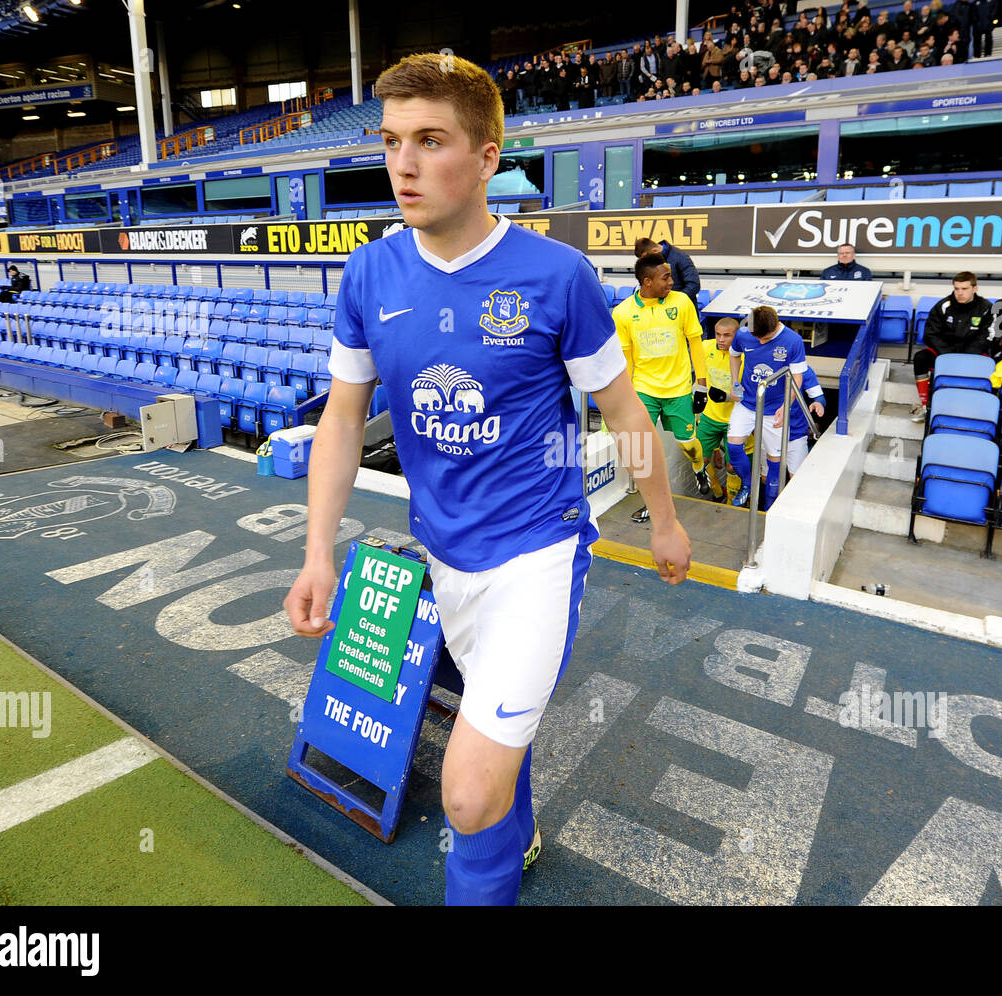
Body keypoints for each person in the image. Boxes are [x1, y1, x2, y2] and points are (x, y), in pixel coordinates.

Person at [283, 52, 690, 908]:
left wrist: (662, 518)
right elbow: (344, 421)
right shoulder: (369, 273)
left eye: (431, 141)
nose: (404, 164)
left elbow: (623, 412)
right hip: (445, 555)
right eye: (392, 141)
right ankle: (519, 826)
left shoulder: (556, 277)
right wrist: (317, 550)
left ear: (489, 156)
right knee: (493, 751)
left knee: (466, 794)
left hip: (537, 553)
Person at [613, 252, 713, 522]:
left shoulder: (681, 302)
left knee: (688, 444)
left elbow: (695, 343)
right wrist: (624, 395)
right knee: (644, 449)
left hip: (679, 388)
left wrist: (701, 385)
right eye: (666, 277)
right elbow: (627, 359)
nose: (672, 281)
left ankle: (698, 468)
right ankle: (654, 504)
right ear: (647, 282)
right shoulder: (622, 313)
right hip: (644, 388)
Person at [727, 306, 825, 510]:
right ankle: (747, 483)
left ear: (776, 326)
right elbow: (734, 355)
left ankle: (770, 511)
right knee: (734, 446)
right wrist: (735, 381)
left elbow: (798, 377)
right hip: (747, 403)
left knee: (775, 462)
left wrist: (784, 405)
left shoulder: (793, 341)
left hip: (774, 411)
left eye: (765, 338)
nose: (761, 342)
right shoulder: (744, 334)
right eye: (758, 337)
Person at [910, 271, 994, 421]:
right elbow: (930, 334)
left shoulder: (986, 307)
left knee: (990, 365)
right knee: (921, 358)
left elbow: (988, 335)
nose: (960, 293)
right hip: (945, 353)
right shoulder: (943, 305)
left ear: (975, 289)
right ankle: (925, 407)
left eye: (964, 289)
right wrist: (948, 355)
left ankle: (975, 409)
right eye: (957, 288)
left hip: (973, 354)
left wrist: (966, 356)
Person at [698, 317, 745, 502]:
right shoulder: (705, 347)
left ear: (736, 336)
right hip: (710, 416)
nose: (721, 339)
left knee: (732, 466)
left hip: (735, 420)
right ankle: (718, 493)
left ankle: (733, 505)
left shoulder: (745, 356)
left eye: (726, 335)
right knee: (700, 460)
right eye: (718, 334)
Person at [634, 236, 701, 310]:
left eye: (647, 257)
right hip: (658, 310)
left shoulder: (680, 257)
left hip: (682, 310)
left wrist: (676, 301)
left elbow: (694, 285)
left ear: (655, 251)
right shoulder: (650, 261)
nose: (646, 261)